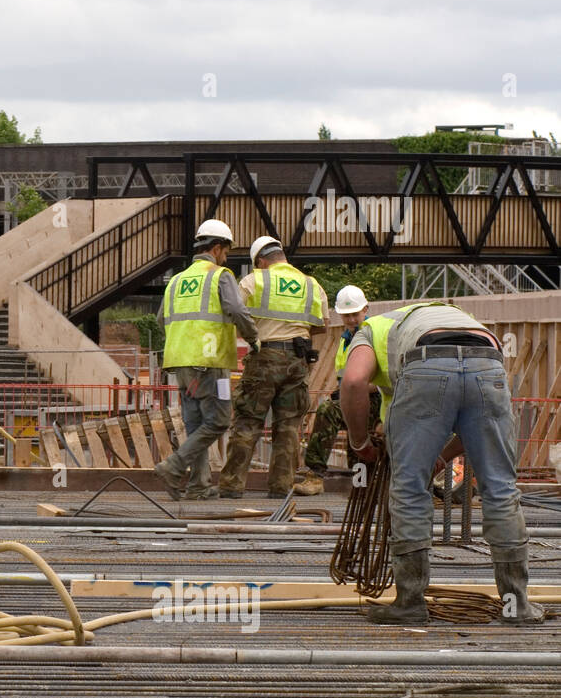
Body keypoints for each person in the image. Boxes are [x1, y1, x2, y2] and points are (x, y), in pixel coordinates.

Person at [342, 302, 545, 625]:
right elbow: (474, 419)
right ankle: (515, 605)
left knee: (409, 489)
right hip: (488, 364)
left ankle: (409, 602)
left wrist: (359, 443)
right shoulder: (459, 318)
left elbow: (353, 382)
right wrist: (442, 457)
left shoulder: (368, 329)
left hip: (425, 363)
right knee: (500, 489)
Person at [152, 219, 258, 500]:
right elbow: (236, 309)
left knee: (197, 425)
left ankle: (198, 486)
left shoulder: (176, 280)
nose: (226, 257)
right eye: (226, 251)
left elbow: (161, 319)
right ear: (216, 247)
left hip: (180, 364)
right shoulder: (220, 276)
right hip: (210, 364)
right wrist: (254, 339)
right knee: (220, 421)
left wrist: (184, 342)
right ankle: (173, 466)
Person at [217, 235, 328, 498]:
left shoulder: (254, 279)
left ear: (261, 260)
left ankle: (232, 487)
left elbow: (234, 312)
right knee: (288, 427)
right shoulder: (311, 285)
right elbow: (322, 324)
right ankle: (280, 488)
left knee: (247, 422)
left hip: (264, 358)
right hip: (297, 361)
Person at [296, 285, 382, 495]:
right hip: (353, 399)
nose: (351, 319)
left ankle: (363, 488)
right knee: (337, 418)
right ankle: (316, 475)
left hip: (374, 400)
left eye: (355, 314)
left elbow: (380, 379)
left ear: (365, 310)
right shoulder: (345, 339)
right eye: (346, 315)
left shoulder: (375, 335)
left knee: (357, 441)